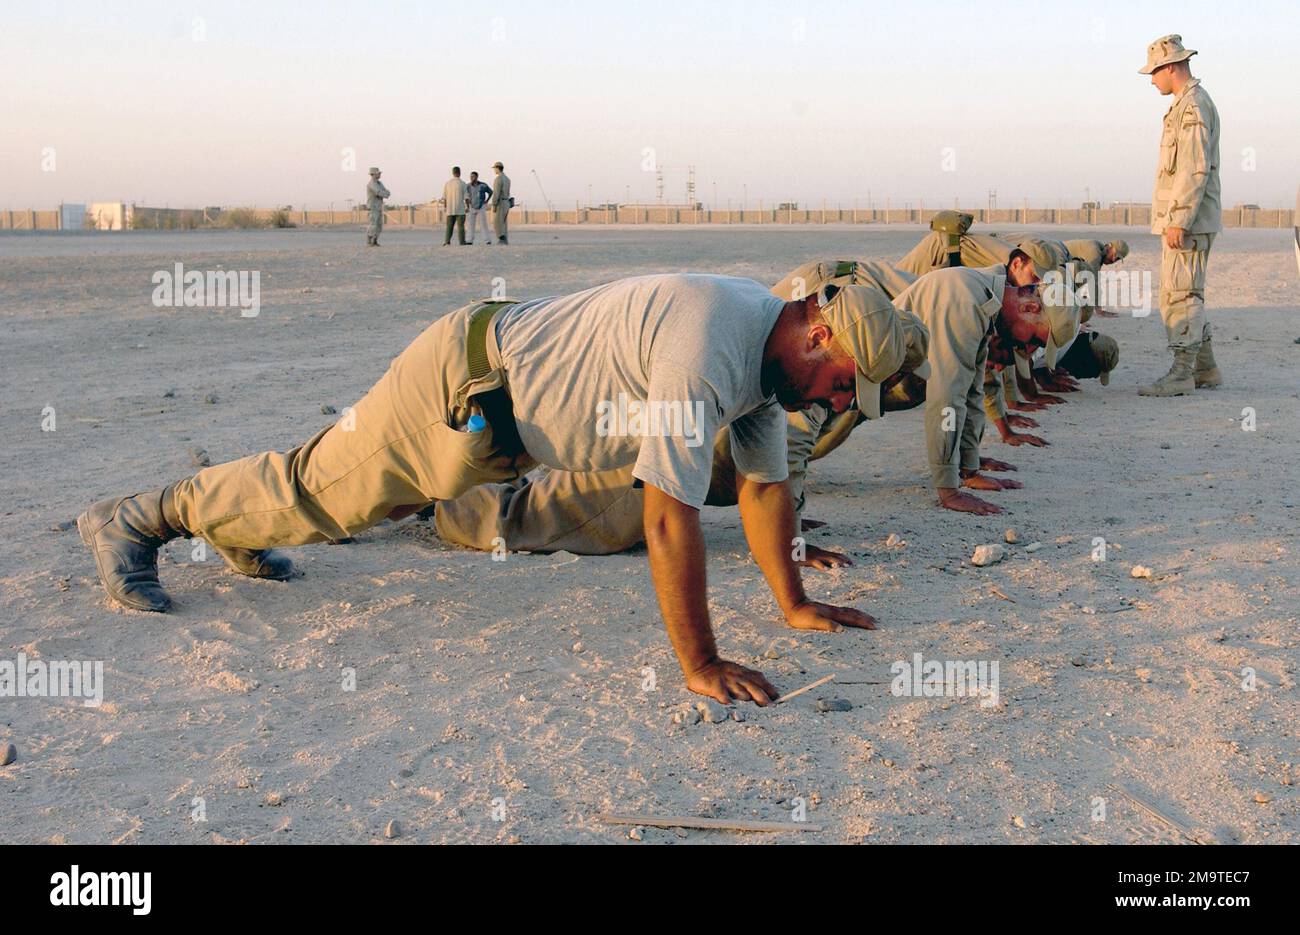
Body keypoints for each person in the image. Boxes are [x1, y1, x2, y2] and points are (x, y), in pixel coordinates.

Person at [77, 273, 903, 706]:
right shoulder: (709, 343)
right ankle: (134, 520)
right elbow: (665, 517)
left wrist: (793, 602)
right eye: (842, 383)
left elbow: (763, 491)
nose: (838, 404)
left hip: (500, 431)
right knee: (321, 490)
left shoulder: (766, 359)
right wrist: (701, 660)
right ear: (819, 330)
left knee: (353, 499)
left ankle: (236, 528)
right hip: (465, 387)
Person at [432, 260, 929, 563]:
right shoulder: (813, 373)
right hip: (660, 454)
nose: (850, 399)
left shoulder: (819, 365)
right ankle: (441, 502)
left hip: (672, 446)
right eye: (855, 384)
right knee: (545, 520)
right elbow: (784, 459)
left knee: (560, 496)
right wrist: (792, 540)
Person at [892, 250, 1072, 515]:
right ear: (1030, 308)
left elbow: (972, 393)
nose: (1028, 348)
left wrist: (970, 469)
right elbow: (947, 402)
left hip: (882, 381)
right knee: (812, 439)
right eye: (1035, 339)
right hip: (857, 384)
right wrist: (949, 489)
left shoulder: (984, 299)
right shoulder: (966, 300)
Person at [1137, 34, 1222, 396]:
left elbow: (1194, 168)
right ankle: (1205, 369)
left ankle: (1182, 373)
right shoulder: (1184, 105)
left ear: (1171, 67)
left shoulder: (1193, 107)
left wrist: (1179, 219)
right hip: (1185, 220)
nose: (1152, 80)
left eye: (1155, 73)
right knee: (1186, 292)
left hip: (1188, 222)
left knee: (1180, 296)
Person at [441, 167, 469, 246]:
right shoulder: (462, 183)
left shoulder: (447, 183)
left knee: (449, 226)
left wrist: (445, 207)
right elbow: (466, 197)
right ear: (459, 173)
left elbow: (445, 198)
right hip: (460, 209)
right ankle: (462, 242)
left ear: (453, 173)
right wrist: (468, 207)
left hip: (450, 209)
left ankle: (447, 241)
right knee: (461, 227)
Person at [466, 170, 493, 245]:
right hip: (472, 207)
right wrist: (468, 206)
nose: (472, 178)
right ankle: (469, 240)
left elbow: (491, 192)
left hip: (481, 207)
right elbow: (466, 196)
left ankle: (487, 240)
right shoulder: (467, 186)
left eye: (473, 176)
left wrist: (486, 201)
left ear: (477, 177)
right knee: (470, 224)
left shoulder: (483, 185)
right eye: (470, 177)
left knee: (483, 224)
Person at [365, 167, 390, 246]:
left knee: (379, 225)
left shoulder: (379, 183)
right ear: (373, 174)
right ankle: (369, 240)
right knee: (373, 224)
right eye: (378, 173)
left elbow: (387, 192)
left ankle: (375, 240)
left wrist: (385, 193)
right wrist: (384, 193)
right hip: (372, 207)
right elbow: (379, 192)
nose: (379, 174)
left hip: (378, 206)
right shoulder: (371, 184)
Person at [490, 161, 512, 245]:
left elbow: (496, 193)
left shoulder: (498, 179)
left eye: (494, 168)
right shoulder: (507, 179)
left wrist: (494, 204)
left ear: (497, 168)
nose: (494, 170)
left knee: (497, 221)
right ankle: (505, 239)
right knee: (503, 222)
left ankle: (501, 238)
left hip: (500, 203)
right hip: (506, 201)